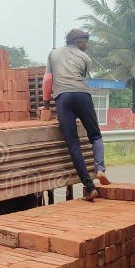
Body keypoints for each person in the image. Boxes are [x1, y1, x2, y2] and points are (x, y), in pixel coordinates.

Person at [41, 29, 110, 202]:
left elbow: (48, 80)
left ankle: (89, 186)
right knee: (95, 135)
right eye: (85, 42)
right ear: (78, 41)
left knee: (73, 144)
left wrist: (47, 104)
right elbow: (81, 78)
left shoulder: (53, 54)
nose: (86, 45)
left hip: (63, 98)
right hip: (83, 95)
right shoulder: (85, 58)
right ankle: (100, 168)